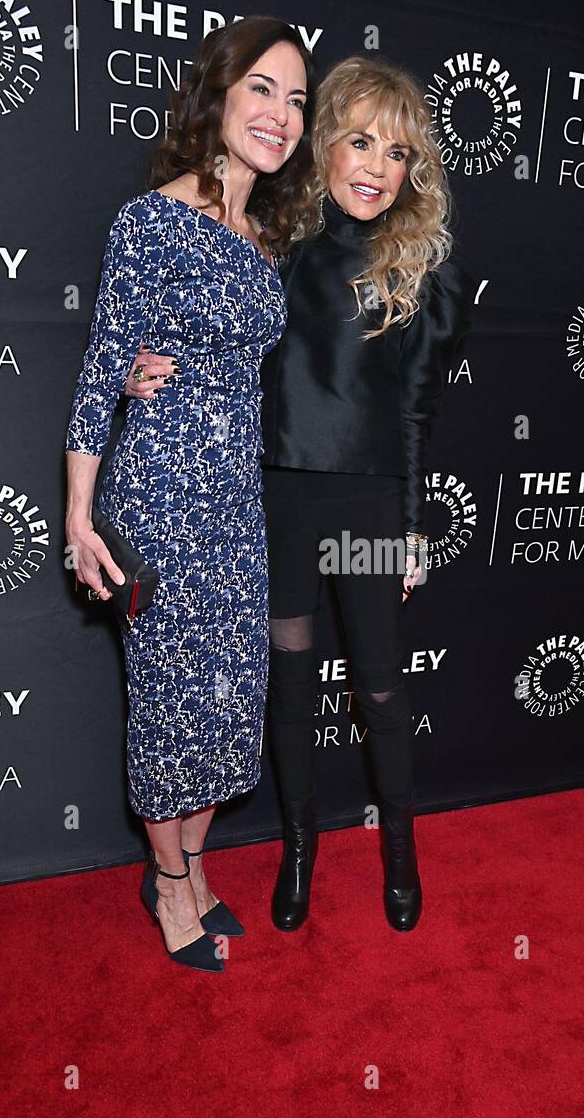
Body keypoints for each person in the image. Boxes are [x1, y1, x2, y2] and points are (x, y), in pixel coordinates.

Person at [125, 55, 474, 934]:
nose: (374, 166)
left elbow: (416, 417)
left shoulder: (424, 275)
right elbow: (213, 341)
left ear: (412, 170)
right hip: (277, 497)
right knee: (289, 685)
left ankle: (400, 851)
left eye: (395, 153)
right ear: (324, 147)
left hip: (368, 506)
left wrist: (408, 529)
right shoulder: (274, 249)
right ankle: (299, 850)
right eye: (358, 142)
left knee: (384, 690)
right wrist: (139, 372)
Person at [64, 18, 314, 972]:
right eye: (262, 89)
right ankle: (169, 886)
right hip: (164, 495)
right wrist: (82, 516)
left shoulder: (263, 237)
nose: (280, 115)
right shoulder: (151, 220)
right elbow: (99, 372)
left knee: (226, 702)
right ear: (218, 95)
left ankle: (197, 867)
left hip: (237, 506)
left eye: (295, 100)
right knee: (171, 704)